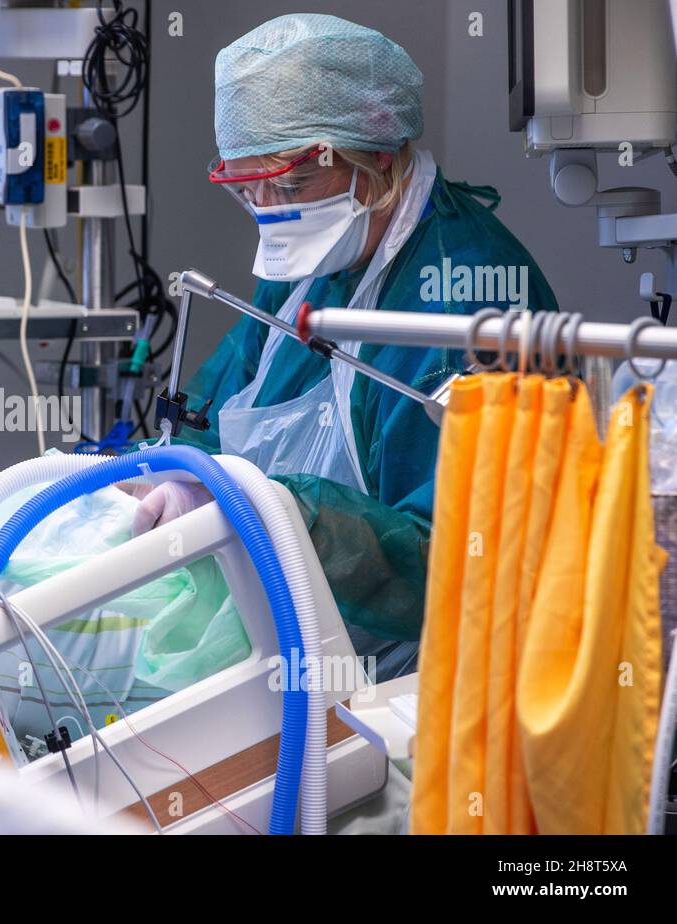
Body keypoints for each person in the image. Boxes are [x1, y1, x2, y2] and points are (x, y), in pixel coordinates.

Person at [136, 14, 558, 679]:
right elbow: (215, 414)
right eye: (250, 190)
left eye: (292, 185)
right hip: (296, 639)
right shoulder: (317, 257)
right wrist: (168, 475)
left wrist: (281, 511)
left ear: (377, 154)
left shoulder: (470, 303)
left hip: (424, 686)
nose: (272, 211)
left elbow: (461, 566)